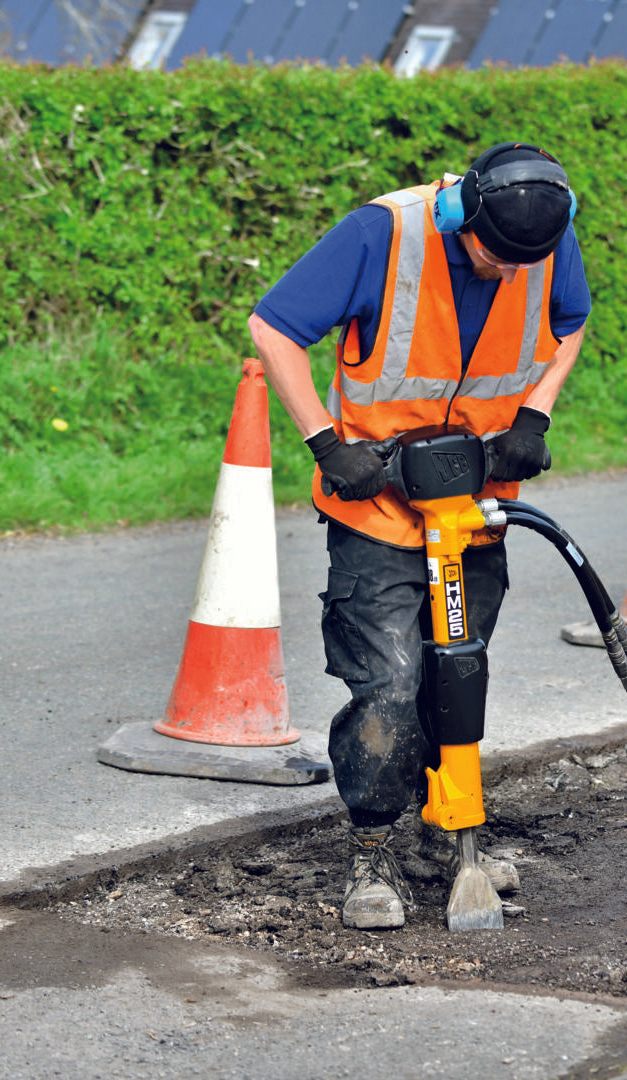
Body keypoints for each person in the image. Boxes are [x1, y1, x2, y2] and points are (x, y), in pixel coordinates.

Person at [249, 143, 590, 929]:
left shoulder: (543, 231)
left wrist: (533, 415)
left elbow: (570, 322)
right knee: (391, 687)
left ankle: (448, 835)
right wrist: (328, 445)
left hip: (473, 507)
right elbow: (272, 329)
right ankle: (372, 853)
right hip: (380, 507)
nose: (507, 273)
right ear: (458, 217)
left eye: (521, 263)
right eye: (491, 258)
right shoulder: (382, 235)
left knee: (456, 672)